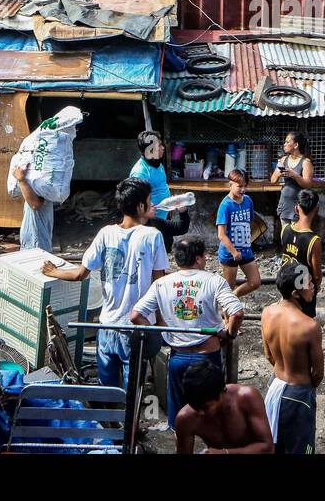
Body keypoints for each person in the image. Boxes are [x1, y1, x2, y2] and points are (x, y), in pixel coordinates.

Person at [42, 177, 167, 391]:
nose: (152, 204)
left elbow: (80, 274)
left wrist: (54, 271)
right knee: (132, 391)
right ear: (140, 206)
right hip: (135, 327)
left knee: (107, 389)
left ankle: (109, 422)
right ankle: (130, 425)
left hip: (107, 325)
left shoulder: (105, 233)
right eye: (149, 200)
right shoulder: (153, 236)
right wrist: (163, 324)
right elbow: (159, 284)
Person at [131, 236, 244, 427]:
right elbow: (237, 312)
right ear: (199, 258)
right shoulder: (214, 281)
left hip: (178, 358)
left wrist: (162, 332)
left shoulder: (162, 284)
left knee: (179, 418)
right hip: (208, 357)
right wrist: (229, 334)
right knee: (214, 414)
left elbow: (135, 316)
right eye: (205, 256)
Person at [260, 262, 324, 454]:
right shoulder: (309, 326)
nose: (313, 286)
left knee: (275, 443)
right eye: (308, 283)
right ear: (296, 293)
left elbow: (268, 355)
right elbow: (318, 373)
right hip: (298, 393)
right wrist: (304, 385)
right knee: (299, 448)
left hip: (275, 385)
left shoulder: (267, 313)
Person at [173, 360, 274, 454]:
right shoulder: (185, 418)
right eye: (194, 406)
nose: (200, 413)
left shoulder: (246, 398)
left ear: (223, 392)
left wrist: (225, 452)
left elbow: (268, 447)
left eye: (205, 407)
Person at [129, 129, 190, 251]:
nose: (163, 148)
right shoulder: (140, 172)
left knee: (165, 248)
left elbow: (161, 187)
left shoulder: (158, 164)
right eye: (159, 145)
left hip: (164, 216)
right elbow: (137, 202)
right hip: (151, 222)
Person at [216, 169, 261, 298]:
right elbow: (221, 234)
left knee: (255, 282)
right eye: (239, 186)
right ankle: (226, 316)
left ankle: (234, 297)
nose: (242, 189)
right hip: (230, 253)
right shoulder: (225, 205)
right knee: (228, 288)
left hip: (246, 251)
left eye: (245, 186)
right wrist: (234, 252)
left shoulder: (248, 201)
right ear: (230, 185)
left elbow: (249, 222)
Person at [279, 188, 323, 318]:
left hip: (286, 287)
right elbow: (316, 276)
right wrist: (316, 286)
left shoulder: (285, 230)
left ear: (296, 208)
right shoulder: (314, 241)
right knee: (305, 327)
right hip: (304, 290)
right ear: (317, 209)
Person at [271, 131, 314, 244]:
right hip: (284, 202)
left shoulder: (305, 162)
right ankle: (286, 256)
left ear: (295, 145)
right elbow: (273, 180)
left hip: (298, 204)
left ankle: (296, 258)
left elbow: (308, 184)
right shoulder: (283, 160)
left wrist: (294, 175)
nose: (284, 144)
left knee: (297, 234)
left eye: (287, 142)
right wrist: (278, 173)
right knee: (285, 233)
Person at [13, 163, 55, 252]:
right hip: (32, 244)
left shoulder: (42, 185)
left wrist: (21, 180)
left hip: (38, 246)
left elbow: (34, 204)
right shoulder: (35, 184)